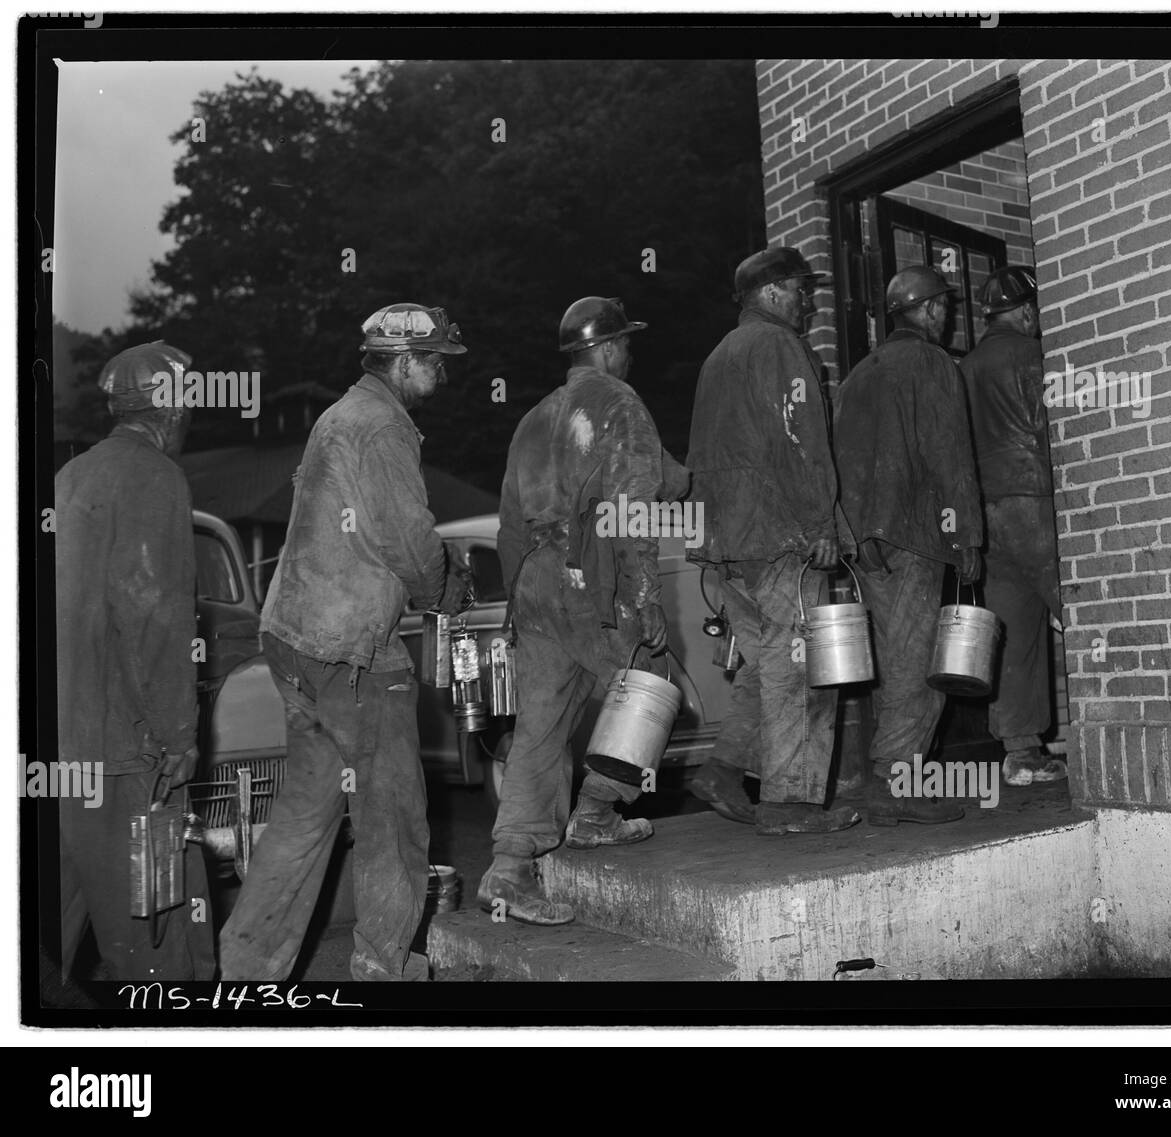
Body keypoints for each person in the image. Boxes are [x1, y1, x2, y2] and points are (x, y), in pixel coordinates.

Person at [219, 302, 470, 981]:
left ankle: (245, 974)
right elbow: (410, 541)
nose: (443, 374)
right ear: (407, 361)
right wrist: (443, 589)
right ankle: (382, 971)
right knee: (393, 818)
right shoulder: (384, 425)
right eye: (438, 361)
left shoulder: (338, 416)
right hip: (350, 652)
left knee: (304, 818)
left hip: (296, 641)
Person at [479, 297, 679, 927]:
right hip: (588, 575)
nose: (630, 354)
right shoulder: (620, 404)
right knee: (653, 681)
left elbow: (511, 520)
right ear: (610, 348)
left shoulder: (535, 418)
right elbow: (633, 507)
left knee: (541, 719)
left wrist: (522, 600)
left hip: (534, 578)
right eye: (627, 344)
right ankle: (595, 813)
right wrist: (643, 595)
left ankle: (509, 867)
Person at [685, 247, 860, 837]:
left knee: (765, 664)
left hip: (727, 542)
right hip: (779, 534)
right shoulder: (779, 347)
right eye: (799, 289)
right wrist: (822, 525)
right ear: (771, 292)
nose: (807, 301)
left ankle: (724, 769)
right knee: (803, 665)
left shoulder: (719, 355)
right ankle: (791, 802)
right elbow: (799, 439)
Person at [55, 341, 214, 980]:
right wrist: (179, 736)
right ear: (171, 409)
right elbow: (156, 620)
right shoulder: (154, 477)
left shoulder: (72, 477)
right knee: (159, 940)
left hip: (60, 753)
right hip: (126, 753)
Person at [834, 265, 983, 825]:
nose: (946, 316)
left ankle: (887, 778)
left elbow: (840, 463)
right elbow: (950, 452)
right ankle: (897, 780)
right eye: (943, 306)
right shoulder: (931, 363)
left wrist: (854, 534)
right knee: (919, 663)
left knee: (893, 658)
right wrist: (966, 532)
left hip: (867, 542)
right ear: (929, 311)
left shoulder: (857, 375)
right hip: (917, 532)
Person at [960, 267, 1067, 787]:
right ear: (1026, 311)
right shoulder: (1033, 357)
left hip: (988, 512)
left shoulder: (964, 367)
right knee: (1079, 610)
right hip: (1034, 501)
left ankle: (1022, 752)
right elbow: (1054, 430)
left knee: (1014, 629)